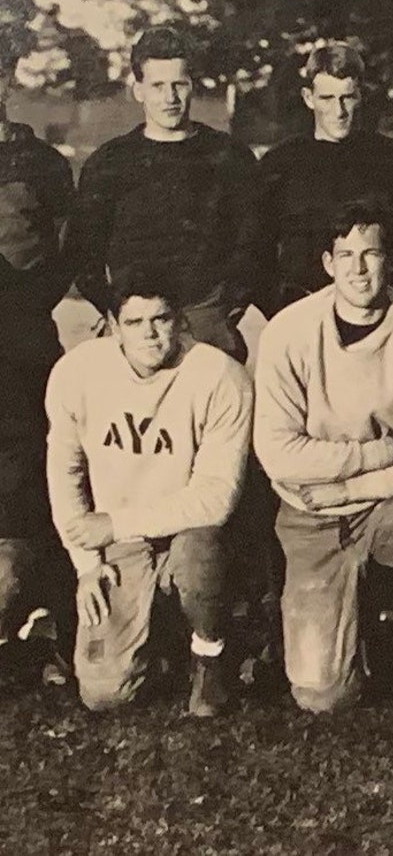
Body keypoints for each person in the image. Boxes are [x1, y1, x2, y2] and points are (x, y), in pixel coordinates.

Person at [253, 202, 393, 744]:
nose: (359, 269)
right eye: (346, 255)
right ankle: (367, 623)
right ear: (327, 263)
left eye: (371, 253)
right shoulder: (289, 332)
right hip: (311, 513)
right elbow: (280, 453)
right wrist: (382, 453)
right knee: (322, 695)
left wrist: (352, 486)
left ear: (390, 262)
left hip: (385, 505)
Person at [45, 273, 251, 714]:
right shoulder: (77, 373)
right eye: (135, 322)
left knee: (201, 556)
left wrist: (114, 523)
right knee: (104, 694)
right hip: (120, 544)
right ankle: (158, 639)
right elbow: (64, 474)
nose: (150, 333)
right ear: (112, 326)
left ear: (181, 322)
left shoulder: (219, 375)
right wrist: (86, 566)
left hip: (192, 534)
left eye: (161, 319)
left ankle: (210, 652)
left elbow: (216, 498)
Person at [65, 26, 263, 362]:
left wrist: (226, 311)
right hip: (135, 323)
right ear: (138, 90)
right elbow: (83, 253)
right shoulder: (110, 162)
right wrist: (116, 313)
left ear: (192, 86)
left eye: (179, 84)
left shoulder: (229, 156)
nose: (170, 98)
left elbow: (253, 243)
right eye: (157, 86)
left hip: (206, 320)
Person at [258, 41, 393, 317]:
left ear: (361, 94)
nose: (339, 111)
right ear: (308, 98)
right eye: (327, 99)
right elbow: (258, 252)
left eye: (347, 97)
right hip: (301, 318)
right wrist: (286, 313)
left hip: (380, 315)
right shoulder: (279, 165)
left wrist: (387, 311)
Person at [0, 37, 75, 685]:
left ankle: (43, 624)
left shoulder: (41, 162)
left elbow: (64, 252)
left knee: (32, 478)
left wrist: (20, 306)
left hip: (21, 343)